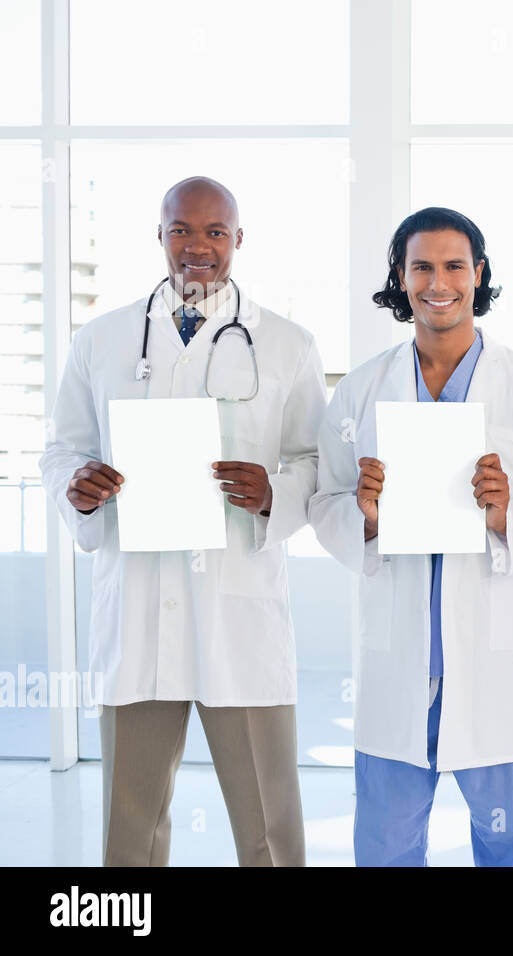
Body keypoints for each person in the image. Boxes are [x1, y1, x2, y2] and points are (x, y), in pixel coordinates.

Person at [40, 176, 325, 866]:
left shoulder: (287, 344)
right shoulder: (101, 340)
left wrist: (273, 494)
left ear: (237, 241)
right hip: (138, 609)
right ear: (160, 235)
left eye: (214, 233)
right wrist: (76, 489)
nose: (198, 247)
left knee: (269, 830)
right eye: (181, 230)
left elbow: (318, 462)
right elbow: (63, 451)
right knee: (128, 830)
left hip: (237, 617)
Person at [309, 207, 513, 867]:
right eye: (421, 266)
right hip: (397, 663)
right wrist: (366, 515)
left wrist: (502, 516)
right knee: (385, 850)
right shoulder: (361, 392)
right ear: (400, 278)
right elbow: (323, 502)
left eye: (454, 266)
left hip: (493, 664)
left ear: (478, 274)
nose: (439, 282)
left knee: (507, 845)